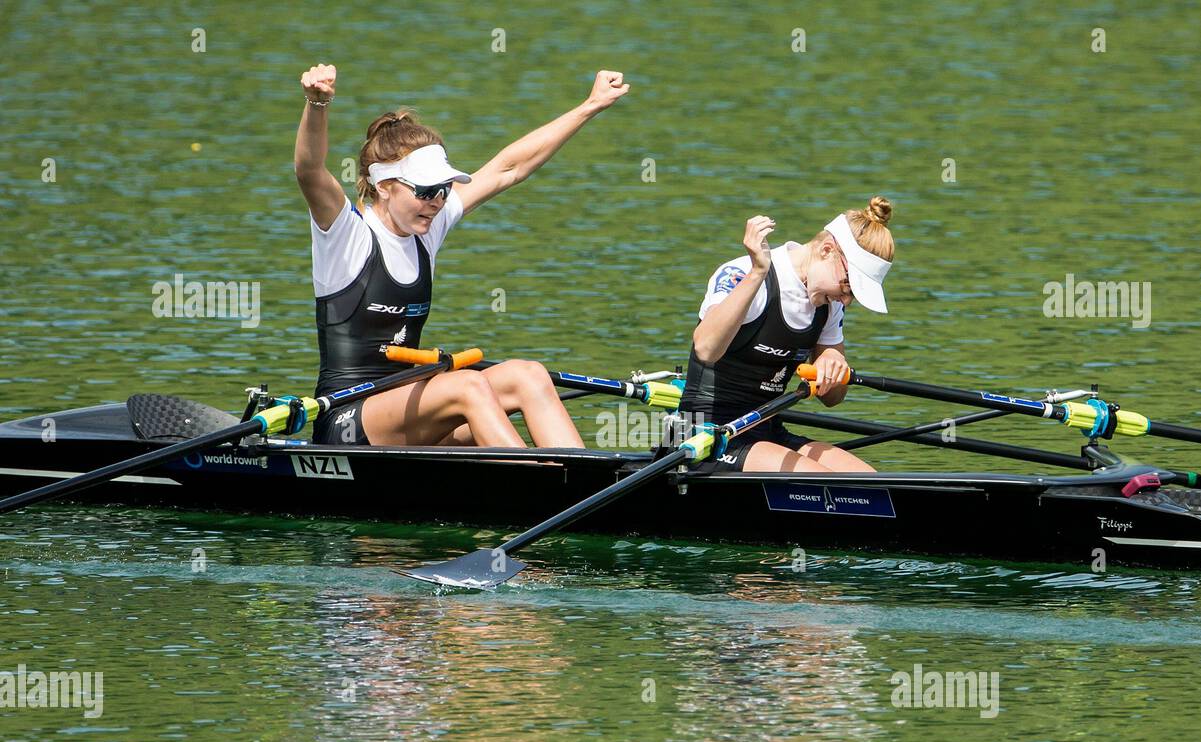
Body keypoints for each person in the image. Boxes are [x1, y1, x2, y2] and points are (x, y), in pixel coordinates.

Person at [294, 63, 630, 447]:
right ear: (384, 185)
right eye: (424, 191)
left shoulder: (426, 227)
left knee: (528, 374)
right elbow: (309, 170)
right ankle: (543, 484)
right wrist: (316, 104)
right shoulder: (346, 235)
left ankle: (579, 479)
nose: (436, 202)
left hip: (410, 413)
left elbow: (510, 168)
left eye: (442, 189)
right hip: (347, 417)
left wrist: (589, 106)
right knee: (468, 385)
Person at [677, 198, 896, 472]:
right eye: (849, 285)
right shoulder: (742, 273)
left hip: (767, 430)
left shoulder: (829, 306)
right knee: (824, 480)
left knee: (871, 481)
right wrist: (758, 272)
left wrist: (832, 364)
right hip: (704, 433)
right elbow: (706, 349)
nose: (847, 300)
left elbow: (833, 399)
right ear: (827, 250)